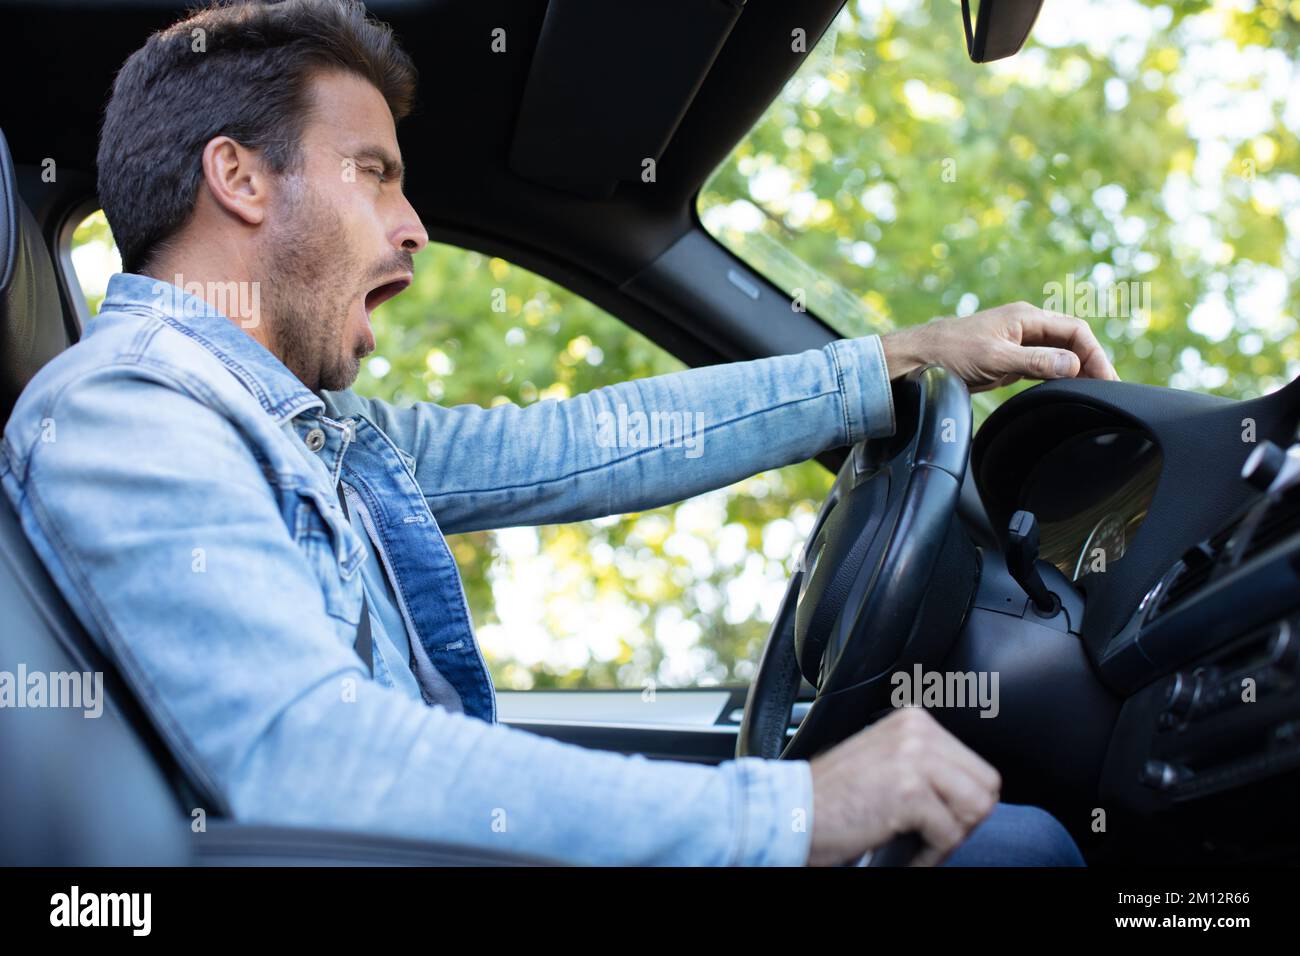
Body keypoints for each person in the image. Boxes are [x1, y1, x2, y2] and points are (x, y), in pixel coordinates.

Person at [2, 0, 1114, 866]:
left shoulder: (302, 428)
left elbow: (584, 440)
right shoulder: (122, 412)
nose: (413, 225)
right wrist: (789, 810)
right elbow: (311, 756)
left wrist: (897, 359)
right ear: (238, 177)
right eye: (375, 174)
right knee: (1023, 850)